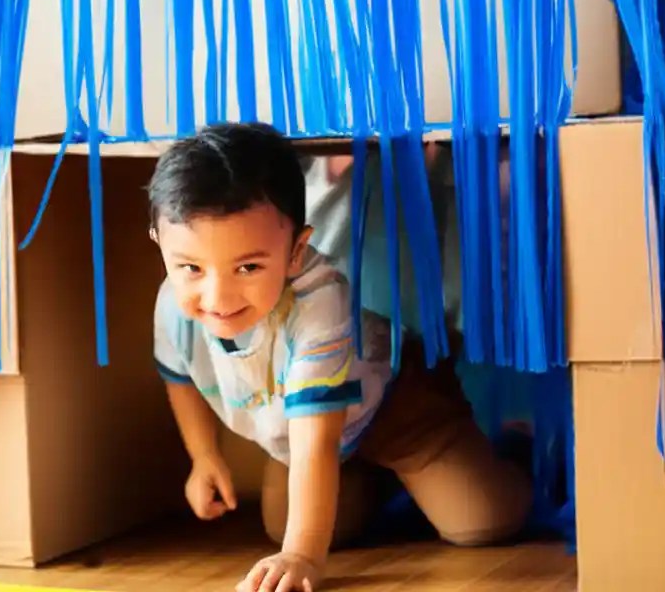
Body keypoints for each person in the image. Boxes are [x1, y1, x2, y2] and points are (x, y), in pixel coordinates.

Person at [148, 122, 532, 592]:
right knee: (288, 524)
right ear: (160, 245)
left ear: (295, 251)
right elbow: (180, 376)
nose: (217, 295)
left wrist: (302, 555)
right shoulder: (173, 304)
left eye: (248, 267)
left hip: (395, 403)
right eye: (191, 267)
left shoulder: (317, 305)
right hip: (310, 436)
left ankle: (513, 454)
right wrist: (203, 456)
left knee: (483, 522)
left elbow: (318, 443)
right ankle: (379, 482)